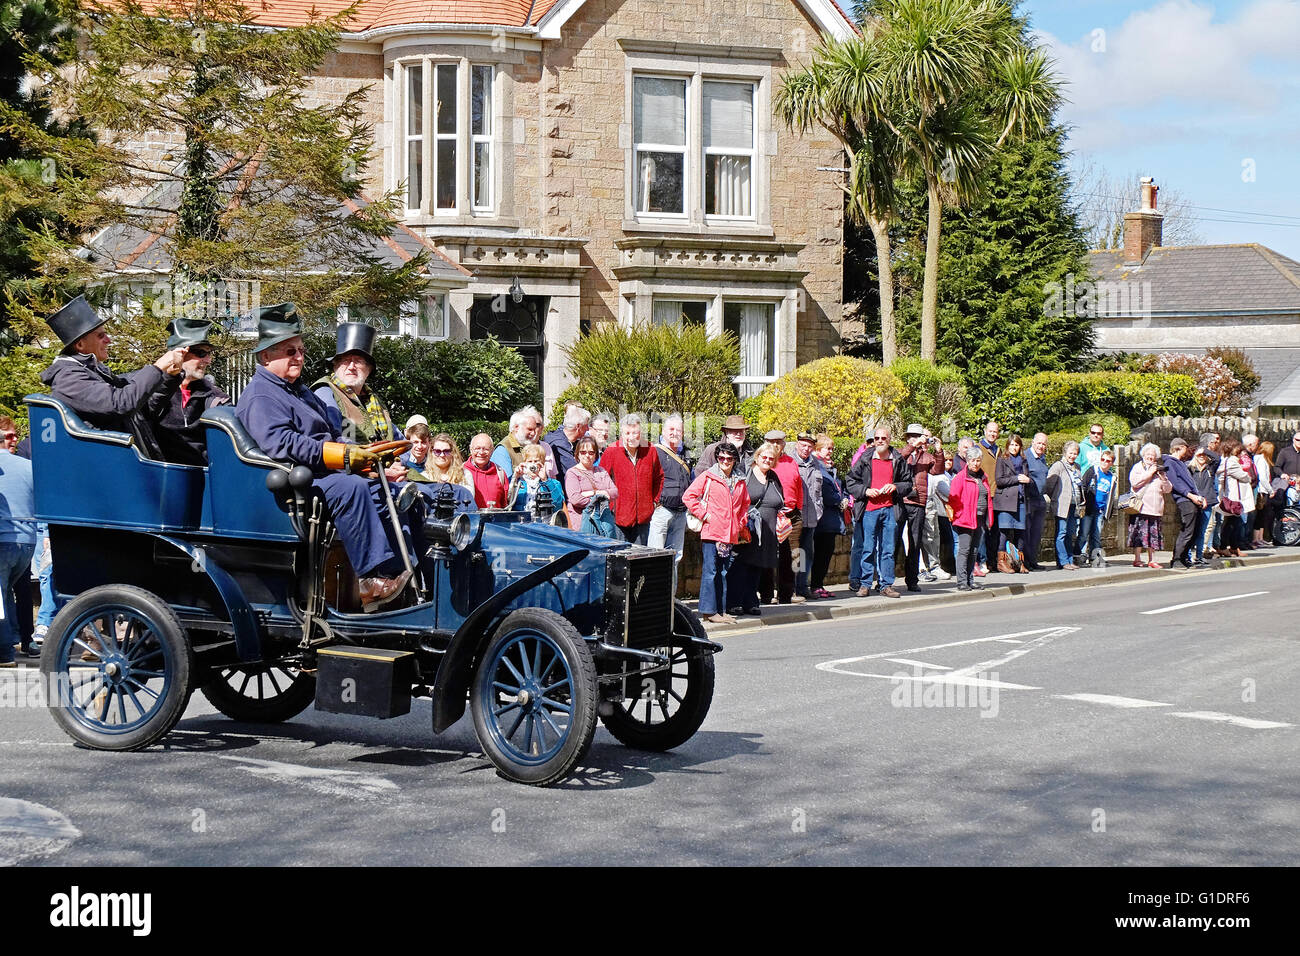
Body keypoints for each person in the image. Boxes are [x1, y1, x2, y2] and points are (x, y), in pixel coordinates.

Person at [236, 303, 413, 611]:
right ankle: (370, 583)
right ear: (266, 356)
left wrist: (363, 455)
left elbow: (331, 431)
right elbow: (281, 444)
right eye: (290, 351)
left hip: (321, 472)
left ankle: (402, 578)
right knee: (352, 488)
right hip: (297, 481)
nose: (299, 357)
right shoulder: (261, 395)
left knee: (391, 492)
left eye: (301, 350)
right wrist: (342, 455)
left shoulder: (298, 390)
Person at [40, 294, 184, 434]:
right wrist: (157, 367)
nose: (108, 340)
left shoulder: (94, 370)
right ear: (80, 345)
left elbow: (140, 403)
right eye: (100, 336)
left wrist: (169, 375)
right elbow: (121, 404)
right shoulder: (68, 379)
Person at [144, 317, 232, 465]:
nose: (208, 360)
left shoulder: (213, 396)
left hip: (202, 477)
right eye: (201, 353)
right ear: (180, 354)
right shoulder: (151, 390)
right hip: (161, 475)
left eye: (209, 353)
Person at [683, 441, 751, 624]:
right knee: (710, 572)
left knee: (722, 572)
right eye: (721, 458)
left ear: (735, 460)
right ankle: (708, 611)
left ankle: (720, 611)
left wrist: (741, 520)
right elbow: (688, 497)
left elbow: (745, 503)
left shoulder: (740, 480)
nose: (725, 461)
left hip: (729, 534)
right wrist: (705, 515)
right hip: (712, 532)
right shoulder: (708, 476)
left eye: (729, 458)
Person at [846, 426, 913, 599]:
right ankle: (865, 584)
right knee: (868, 548)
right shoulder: (865, 458)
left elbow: (908, 483)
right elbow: (851, 481)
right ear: (873, 440)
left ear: (889, 439)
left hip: (890, 509)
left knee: (888, 550)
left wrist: (895, 487)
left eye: (883, 438)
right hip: (869, 510)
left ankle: (886, 585)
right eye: (877, 438)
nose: (880, 441)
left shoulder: (897, 459)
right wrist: (865, 491)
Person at [313, 322, 402, 448]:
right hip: (350, 464)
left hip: (384, 464)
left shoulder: (374, 402)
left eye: (358, 362)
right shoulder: (325, 392)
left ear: (369, 369)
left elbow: (397, 437)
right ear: (335, 366)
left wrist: (401, 462)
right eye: (346, 360)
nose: (351, 367)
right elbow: (334, 438)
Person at [728, 442, 784, 616]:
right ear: (757, 457)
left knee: (756, 567)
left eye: (771, 458)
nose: (767, 460)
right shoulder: (747, 474)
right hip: (747, 528)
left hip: (767, 531)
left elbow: (780, 501)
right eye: (764, 457)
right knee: (740, 566)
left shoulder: (774, 478)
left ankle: (751, 602)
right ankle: (733, 602)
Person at [0, 442, 37, 665]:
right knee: (5, 595)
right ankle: (13, 638)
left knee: (1, 598)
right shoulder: (27, 466)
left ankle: (5, 652)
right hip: (27, 542)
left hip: (4, 538)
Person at [600, 413, 663, 544]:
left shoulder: (650, 449)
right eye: (627, 433)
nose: (631, 437)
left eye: (635, 433)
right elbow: (601, 480)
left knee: (639, 560)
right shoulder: (612, 451)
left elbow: (659, 477)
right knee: (619, 558)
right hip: (618, 518)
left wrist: (654, 502)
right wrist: (611, 506)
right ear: (622, 434)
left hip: (643, 519)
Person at [648, 413, 694, 584]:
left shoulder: (685, 454)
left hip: (680, 513)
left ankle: (670, 602)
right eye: (671, 429)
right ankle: (654, 602)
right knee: (655, 557)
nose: (675, 433)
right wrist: (655, 504)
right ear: (663, 431)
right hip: (662, 512)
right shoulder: (655, 452)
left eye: (678, 430)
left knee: (675, 558)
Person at [765, 430, 805, 605]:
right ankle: (767, 593)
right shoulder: (765, 461)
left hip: (793, 515)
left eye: (779, 442)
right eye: (772, 442)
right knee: (769, 555)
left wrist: (799, 507)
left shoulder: (791, 462)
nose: (776, 446)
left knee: (795, 555)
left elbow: (798, 486)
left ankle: (790, 592)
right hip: (773, 515)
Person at [898, 423, 938, 591]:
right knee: (892, 541)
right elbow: (898, 461)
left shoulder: (926, 456)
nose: (915, 438)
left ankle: (912, 580)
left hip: (918, 502)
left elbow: (938, 470)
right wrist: (912, 446)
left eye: (918, 436)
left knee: (915, 542)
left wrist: (939, 450)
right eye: (912, 436)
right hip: (900, 500)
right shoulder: (901, 451)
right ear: (907, 438)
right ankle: (884, 581)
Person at [947, 443, 989, 591]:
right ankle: (962, 582)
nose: (976, 463)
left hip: (979, 519)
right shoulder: (960, 478)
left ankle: (970, 580)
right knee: (964, 551)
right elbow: (953, 498)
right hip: (965, 519)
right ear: (968, 461)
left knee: (974, 551)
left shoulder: (983, 477)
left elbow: (987, 497)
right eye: (973, 460)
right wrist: (960, 514)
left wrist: (989, 516)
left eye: (978, 460)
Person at [810, 434, 846, 599]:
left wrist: (843, 498)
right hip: (822, 520)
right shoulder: (818, 467)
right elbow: (825, 490)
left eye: (832, 448)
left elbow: (839, 486)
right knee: (816, 555)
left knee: (825, 555)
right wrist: (840, 500)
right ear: (818, 449)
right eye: (828, 448)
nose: (831, 451)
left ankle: (818, 585)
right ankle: (812, 586)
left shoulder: (829, 467)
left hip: (831, 520)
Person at [1126, 442, 1172, 568]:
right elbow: (1135, 483)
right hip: (1141, 507)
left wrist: (1163, 478)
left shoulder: (1158, 470)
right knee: (1139, 535)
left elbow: (1167, 489)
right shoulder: (1138, 468)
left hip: (1156, 508)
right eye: (1148, 455)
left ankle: (1152, 560)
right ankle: (1137, 559)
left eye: (1153, 456)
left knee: (1153, 536)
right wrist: (1150, 473)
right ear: (1143, 455)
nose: (1150, 458)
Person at [1163, 438, 1207, 568]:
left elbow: (1191, 483)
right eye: (1185, 448)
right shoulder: (1170, 462)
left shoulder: (1181, 463)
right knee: (1187, 530)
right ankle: (1176, 559)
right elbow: (1175, 484)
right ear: (1179, 448)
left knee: (1195, 531)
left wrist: (1199, 497)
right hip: (1184, 500)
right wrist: (1191, 496)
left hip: (1193, 498)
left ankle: (1183, 558)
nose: (1187, 451)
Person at [991, 433, 1030, 572]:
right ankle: (1001, 563)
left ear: (1020, 447)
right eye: (1012, 444)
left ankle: (1019, 563)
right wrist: (1017, 478)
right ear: (1008, 446)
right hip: (1006, 501)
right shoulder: (1002, 460)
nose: (1014, 447)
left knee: (1021, 532)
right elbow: (999, 480)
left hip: (1020, 500)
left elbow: (1027, 477)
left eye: (1017, 445)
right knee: (1004, 532)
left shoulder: (1024, 461)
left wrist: (1028, 480)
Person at [408, 432, 477, 511]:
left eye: (446, 451)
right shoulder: (424, 476)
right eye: (437, 451)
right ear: (431, 452)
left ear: (452, 453)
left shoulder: (464, 475)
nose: (442, 455)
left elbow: (468, 502)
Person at [792, 432, 823, 600]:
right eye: (803, 445)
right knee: (796, 554)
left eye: (810, 446)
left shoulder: (816, 463)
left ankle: (803, 586)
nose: (806, 449)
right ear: (797, 445)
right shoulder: (790, 462)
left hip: (811, 516)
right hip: (795, 516)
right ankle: (793, 587)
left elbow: (819, 491)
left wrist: (820, 509)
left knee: (806, 554)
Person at [564, 435, 618, 531]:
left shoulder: (601, 471)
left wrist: (592, 493)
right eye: (583, 452)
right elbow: (575, 499)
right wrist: (599, 496)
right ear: (578, 454)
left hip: (602, 523)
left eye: (591, 452)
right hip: (581, 523)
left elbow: (614, 492)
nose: (587, 455)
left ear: (596, 455)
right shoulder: (572, 473)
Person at [1045, 441, 1083, 570]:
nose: (1072, 456)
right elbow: (1049, 485)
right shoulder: (1058, 466)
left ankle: (1070, 560)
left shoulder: (1077, 466)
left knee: (1070, 533)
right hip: (1062, 505)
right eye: (1070, 453)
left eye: (1075, 453)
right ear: (1065, 452)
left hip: (1074, 505)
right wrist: (1055, 498)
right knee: (1061, 533)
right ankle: (1062, 561)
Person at [1077, 449, 1117, 564]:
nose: (1104, 462)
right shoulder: (1093, 471)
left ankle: (1095, 557)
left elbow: (1111, 496)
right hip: (1089, 508)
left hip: (1100, 510)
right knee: (1083, 533)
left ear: (1111, 463)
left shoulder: (1112, 477)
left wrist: (1108, 511)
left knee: (1096, 534)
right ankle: (1079, 555)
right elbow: (1083, 486)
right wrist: (1083, 504)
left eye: (1108, 461)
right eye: (1102, 459)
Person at [1216, 439, 1255, 557]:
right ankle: (1225, 547)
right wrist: (1248, 476)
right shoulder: (1232, 462)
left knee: (1234, 523)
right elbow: (1244, 477)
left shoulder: (1228, 461)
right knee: (1233, 523)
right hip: (1234, 497)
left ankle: (1233, 547)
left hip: (1233, 496)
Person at [506, 443, 565, 517]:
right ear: (524, 463)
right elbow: (506, 500)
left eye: (536, 461)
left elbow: (558, 505)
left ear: (542, 463)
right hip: (520, 523)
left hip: (543, 523)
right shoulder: (519, 482)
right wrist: (515, 477)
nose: (533, 464)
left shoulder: (553, 483)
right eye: (530, 461)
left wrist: (545, 480)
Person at [975, 421, 1001, 574]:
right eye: (990, 431)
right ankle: (981, 561)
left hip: (998, 495)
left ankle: (992, 561)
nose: (992, 434)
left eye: (995, 432)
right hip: (983, 495)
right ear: (985, 431)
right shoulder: (978, 449)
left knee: (995, 532)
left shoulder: (998, 450)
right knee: (982, 531)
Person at [1023, 432, 1051, 571]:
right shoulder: (1025, 456)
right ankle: (1026, 562)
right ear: (1033, 442)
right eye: (1039, 443)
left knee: (1036, 533)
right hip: (1029, 500)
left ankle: (1033, 560)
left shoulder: (1042, 458)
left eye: (1043, 444)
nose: (1041, 446)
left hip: (1040, 500)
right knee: (1026, 533)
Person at [542, 405, 590, 485]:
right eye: (586, 425)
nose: (588, 429)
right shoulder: (559, 444)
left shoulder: (569, 442)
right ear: (578, 426)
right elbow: (577, 474)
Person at [464, 432, 510, 509]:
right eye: (477, 448)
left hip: (494, 519)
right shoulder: (461, 472)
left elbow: (505, 504)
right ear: (471, 449)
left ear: (492, 451)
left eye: (486, 449)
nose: (481, 452)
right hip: (469, 520)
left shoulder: (499, 472)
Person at [1189, 446, 1217, 564]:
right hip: (1193, 503)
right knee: (1191, 530)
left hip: (1207, 503)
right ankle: (1188, 555)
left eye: (1204, 455)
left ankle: (1199, 556)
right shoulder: (1189, 468)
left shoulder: (1210, 468)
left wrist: (1204, 450)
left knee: (1202, 531)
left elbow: (1217, 459)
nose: (1202, 457)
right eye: (1199, 455)